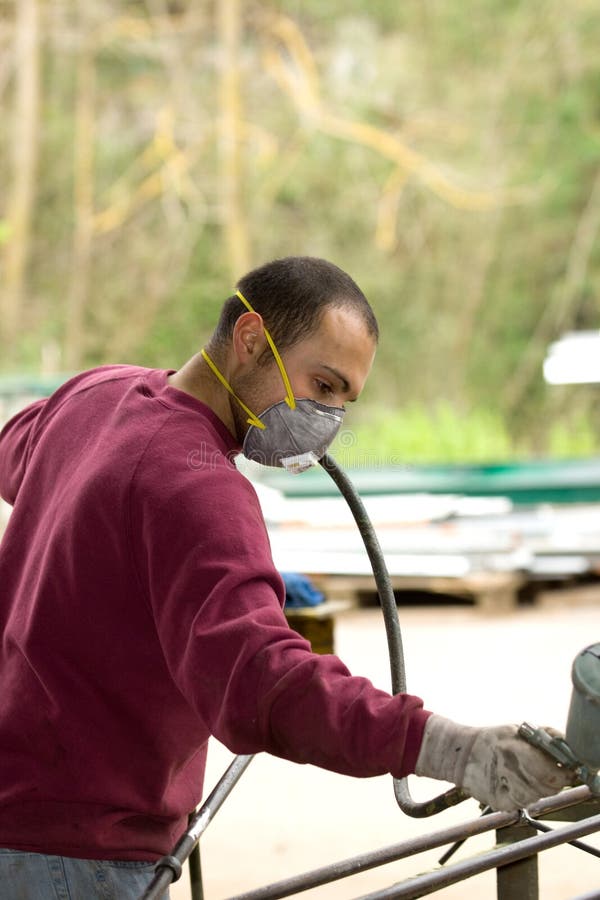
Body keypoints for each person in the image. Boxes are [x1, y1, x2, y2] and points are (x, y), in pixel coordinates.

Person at [0, 256, 571, 899]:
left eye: (342, 402)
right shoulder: (200, 489)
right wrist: (452, 750)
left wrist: (195, 572)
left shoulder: (95, 396)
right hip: (77, 859)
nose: (327, 421)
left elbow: (25, 456)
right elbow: (261, 685)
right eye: (322, 386)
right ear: (250, 339)